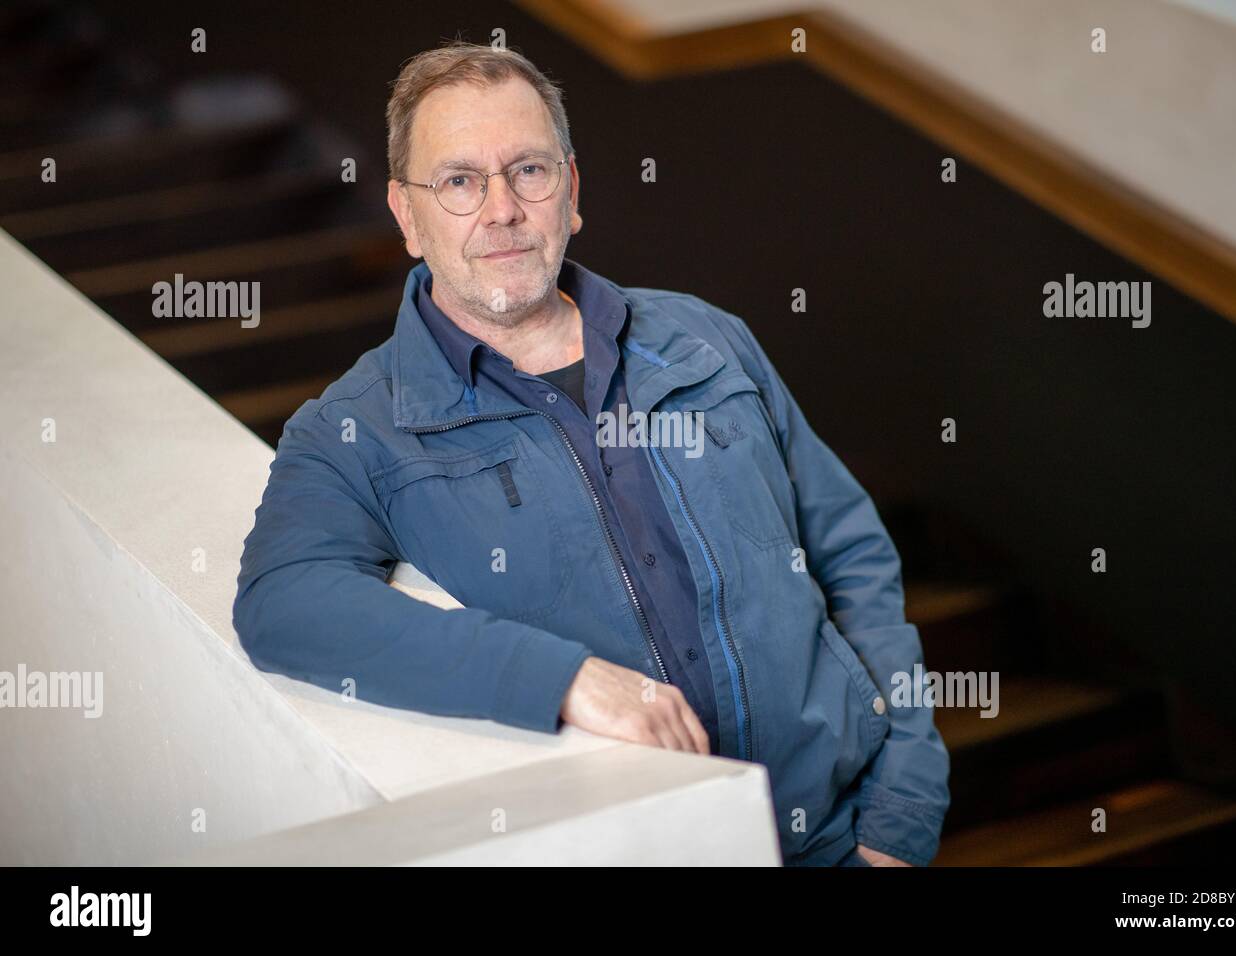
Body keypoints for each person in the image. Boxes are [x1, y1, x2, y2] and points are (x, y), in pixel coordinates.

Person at [233, 40, 949, 867]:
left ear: (571, 190)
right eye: (460, 181)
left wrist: (900, 815)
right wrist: (564, 679)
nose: (501, 209)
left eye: (528, 171)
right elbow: (283, 601)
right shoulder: (355, 428)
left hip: (841, 838)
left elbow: (851, 553)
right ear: (406, 214)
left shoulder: (705, 337)